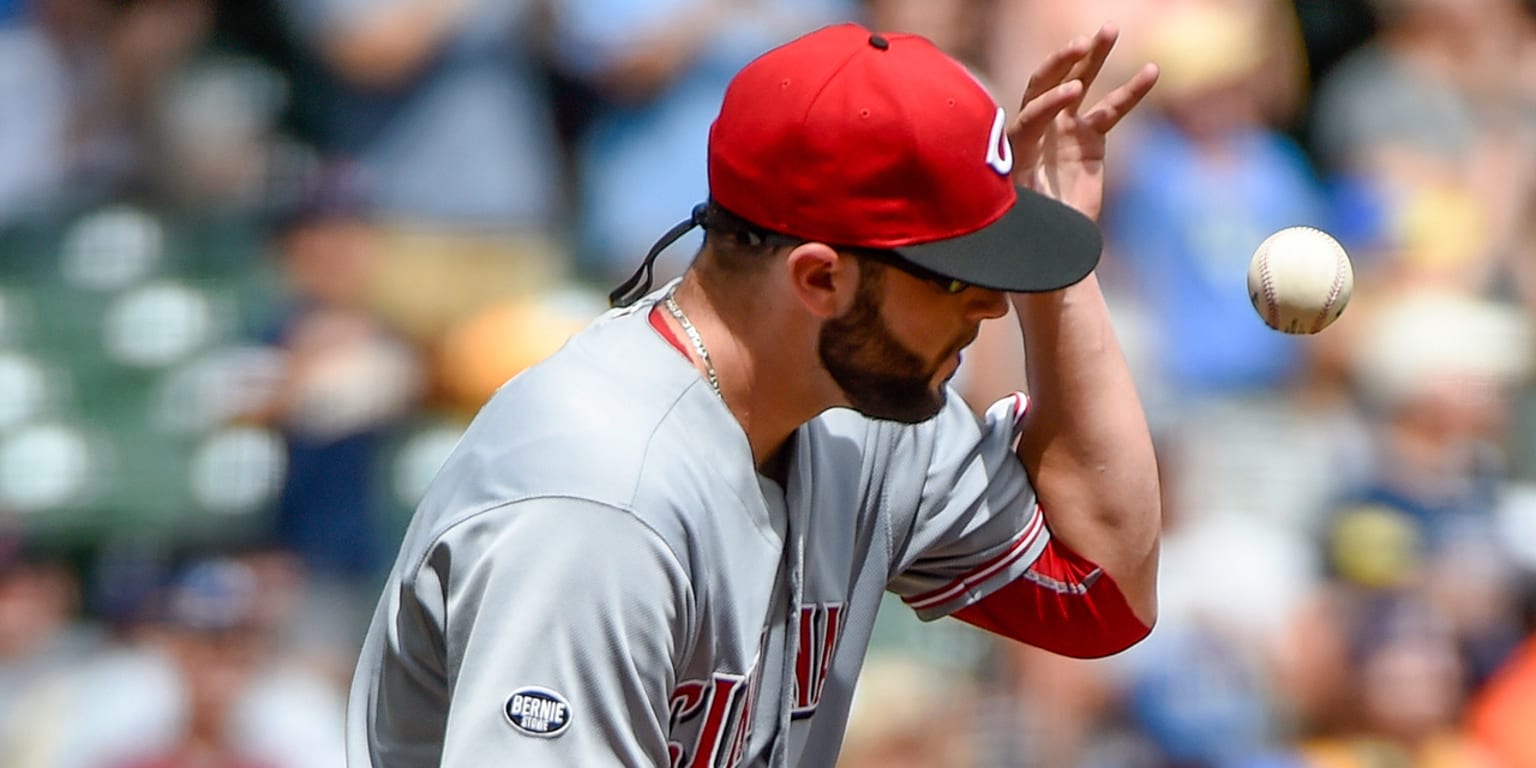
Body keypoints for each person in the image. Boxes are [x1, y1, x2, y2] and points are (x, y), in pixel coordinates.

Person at [348, 21, 1162, 767]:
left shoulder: (859, 408)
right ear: (819, 277)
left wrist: (1057, 287)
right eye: (960, 278)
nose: (992, 307)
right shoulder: (598, 500)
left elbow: (1101, 593)